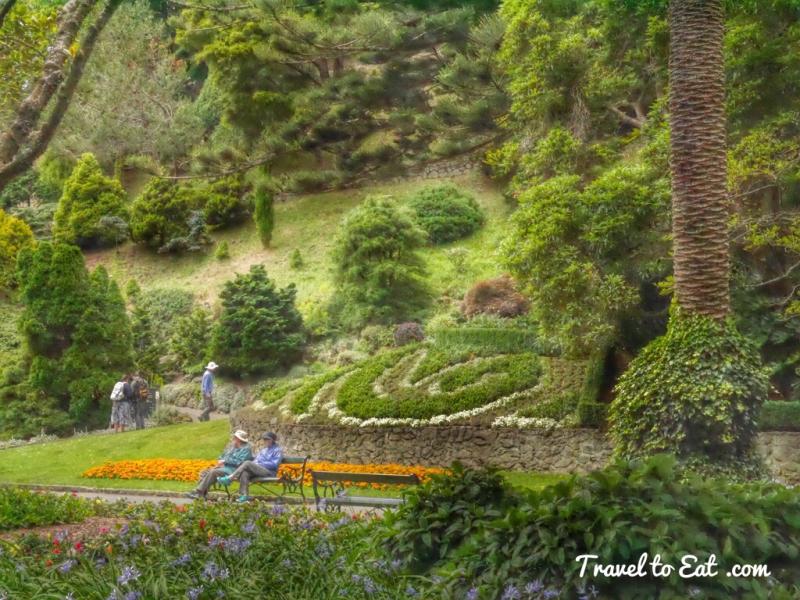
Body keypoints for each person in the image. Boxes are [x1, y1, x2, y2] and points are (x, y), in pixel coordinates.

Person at [186, 430, 252, 500]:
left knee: (214, 472)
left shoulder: (246, 449)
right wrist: (221, 461)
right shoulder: (232, 447)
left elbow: (239, 462)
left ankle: (198, 492)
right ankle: (202, 494)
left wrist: (225, 461)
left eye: (235, 437)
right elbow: (222, 456)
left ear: (239, 439)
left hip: (235, 470)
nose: (233, 439)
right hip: (225, 468)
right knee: (204, 472)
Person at [218, 432, 283, 503]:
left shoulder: (278, 450)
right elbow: (256, 461)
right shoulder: (263, 450)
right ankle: (244, 496)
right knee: (245, 472)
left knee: (247, 462)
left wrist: (259, 464)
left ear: (273, 440)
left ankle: (230, 478)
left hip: (269, 472)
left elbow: (274, 464)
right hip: (259, 471)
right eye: (264, 439)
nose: (265, 441)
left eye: (268, 439)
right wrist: (256, 464)